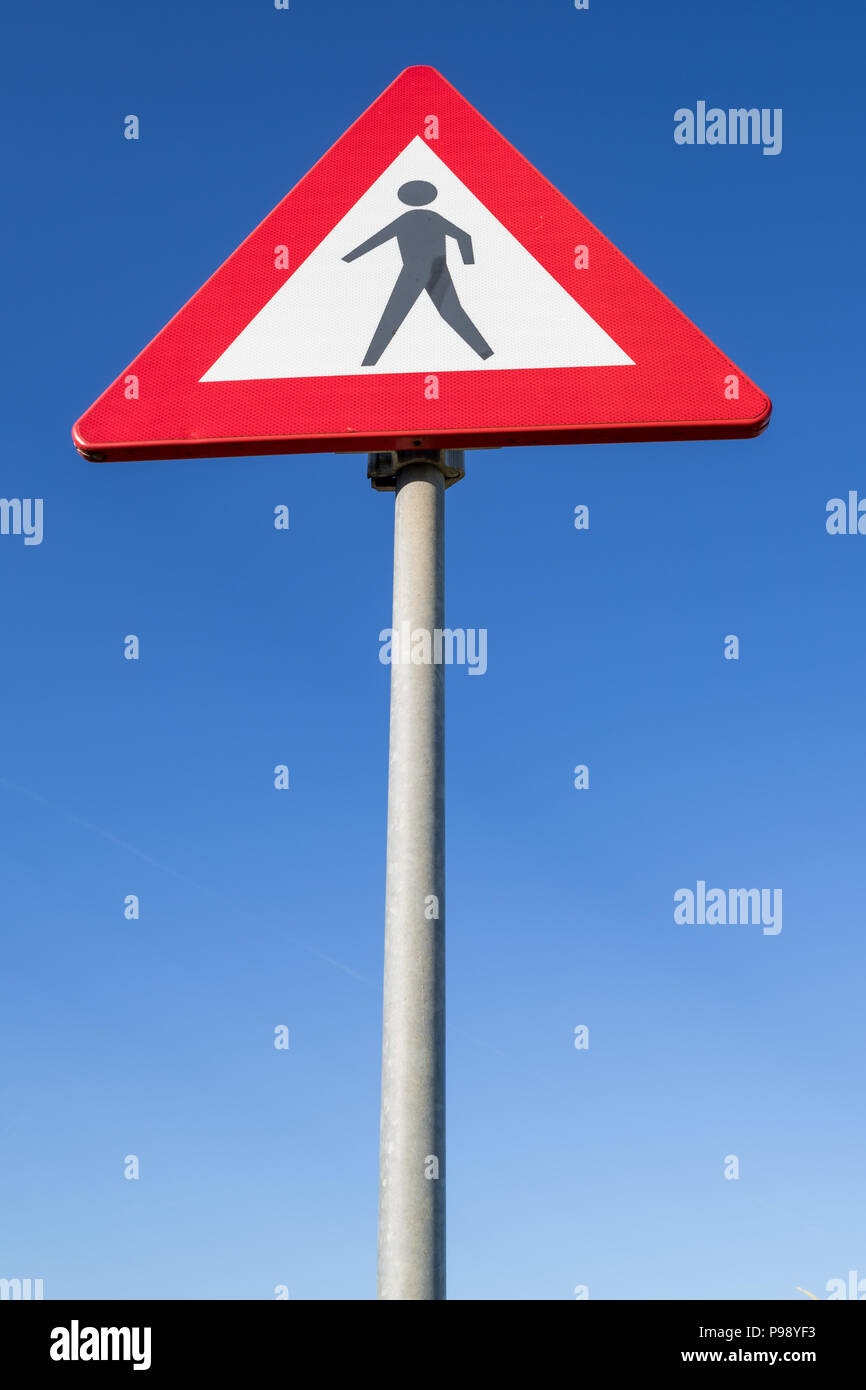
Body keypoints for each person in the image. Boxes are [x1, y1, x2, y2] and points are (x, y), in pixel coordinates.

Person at [343, 180, 493, 366]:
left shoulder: (406, 219)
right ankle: (486, 354)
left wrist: (349, 258)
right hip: (435, 271)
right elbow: (464, 237)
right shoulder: (433, 217)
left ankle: (369, 363)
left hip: (415, 272)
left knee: (393, 316)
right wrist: (468, 261)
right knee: (451, 313)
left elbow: (376, 240)